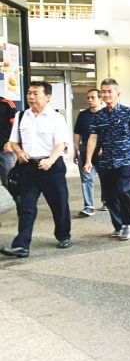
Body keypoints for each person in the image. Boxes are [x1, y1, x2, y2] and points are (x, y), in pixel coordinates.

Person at [1, 81, 71, 258]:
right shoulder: (21, 116)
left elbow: (60, 144)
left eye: (35, 94)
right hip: (28, 168)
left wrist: (50, 160)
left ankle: (63, 235)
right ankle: (21, 245)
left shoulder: (56, 118)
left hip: (51, 168)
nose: (31, 97)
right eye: (29, 93)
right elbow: (13, 142)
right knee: (26, 207)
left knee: (59, 204)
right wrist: (19, 152)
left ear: (47, 97)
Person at [84, 78, 130, 241]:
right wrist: (88, 160)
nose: (106, 94)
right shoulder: (98, 116)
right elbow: (92, 138)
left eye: (109, 91)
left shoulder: (129, 112)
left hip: (126, 159)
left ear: (118, 93)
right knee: (110, 195)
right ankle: (118, 225)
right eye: (103, 92)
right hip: (106, 161)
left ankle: (127, 224)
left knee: (123, 191)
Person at [73, 88, 103, 217]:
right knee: (86, 178)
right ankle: (89, 206)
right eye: (88, 98)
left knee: (105, 178)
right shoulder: (83, 115)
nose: (90, 100)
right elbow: (77, 133)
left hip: (103, 151)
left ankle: (106, 201)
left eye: (93, 97)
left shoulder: (105, 114)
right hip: (85, 150)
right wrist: (76, 150)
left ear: (100, 99)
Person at [0, 95, 18, 191]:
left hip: (4, 150)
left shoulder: (6, 103)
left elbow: (15, 126)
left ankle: (19, 203)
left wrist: (11, 142)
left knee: (9, 181)